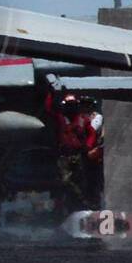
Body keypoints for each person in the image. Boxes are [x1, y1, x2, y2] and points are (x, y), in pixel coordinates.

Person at [45, 88, 96, 216]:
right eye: (69, 105)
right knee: (65, 181)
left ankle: (79, 206)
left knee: (81, 180)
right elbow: (48, 109)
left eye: (73, 105)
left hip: (78, 155)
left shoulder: (83, 120)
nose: (71, 108)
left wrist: (89, 145)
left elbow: (92, 133)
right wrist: (50, 93)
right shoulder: (61, 119)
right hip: (64, 155)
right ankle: (68, 205)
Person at [79, 95, 105, 209]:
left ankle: (96, 201)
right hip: (80, 150)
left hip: (93, 151)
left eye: (87, 104)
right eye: (83, 104)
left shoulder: (97, 117)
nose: (85, 107)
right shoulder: (79, 118)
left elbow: (93, 129)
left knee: (94, 178)